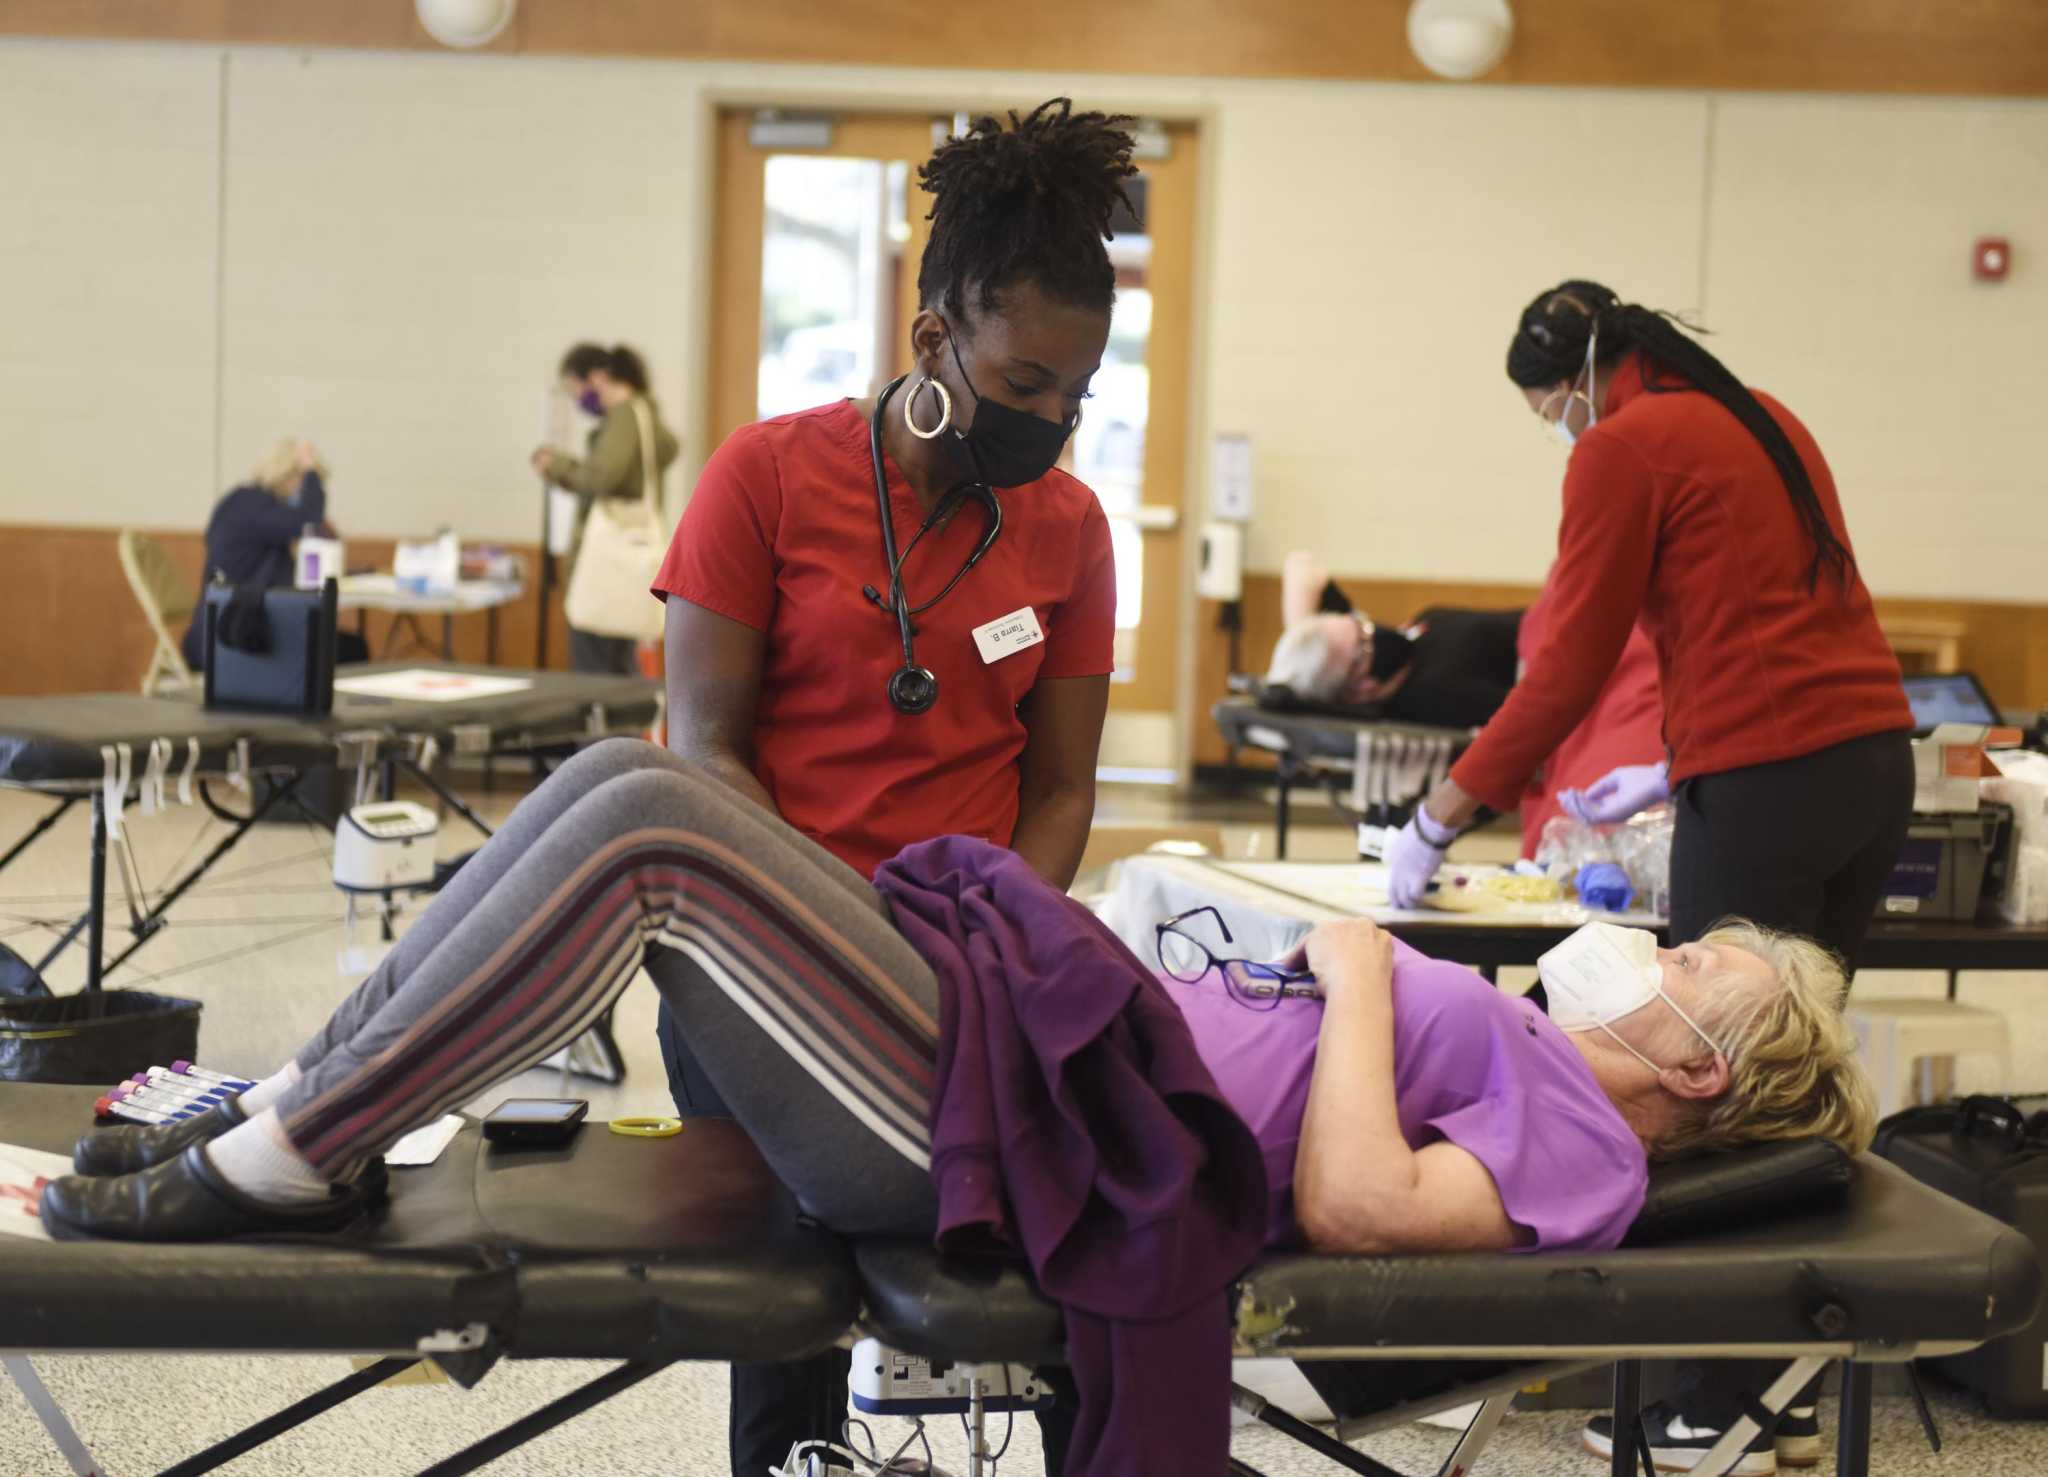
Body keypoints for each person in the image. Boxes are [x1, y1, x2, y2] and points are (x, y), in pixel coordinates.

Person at [649, 100, 1126, 1474]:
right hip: (760, 961)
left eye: (1077, 396)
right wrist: (823, 934)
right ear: (934, 340)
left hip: (967, 979)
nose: (1053, 421)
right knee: (783, 1322)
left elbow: (1061, 786)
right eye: (1027, 385)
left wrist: (995, 947)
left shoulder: (1072, 528)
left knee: (1035, 1303)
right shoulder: (767, 478)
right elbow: (705, 745)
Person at [1385, 280, 1914, 1472]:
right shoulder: (1760, 411)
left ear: (1574, 380)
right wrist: (1675, 762)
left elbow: (1565, 662)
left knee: (1707, 1082)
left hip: (1767, 780)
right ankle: (1781, 1385)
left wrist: (1436, 813)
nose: (1559, 436)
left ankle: (1706, 1398)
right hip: (1869, 768)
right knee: (1797, 1077)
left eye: (1547, 415)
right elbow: (1782, 617)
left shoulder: (1622, 444)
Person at [534, 342, 681, 675]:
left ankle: (603, 731)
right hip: (626, 563)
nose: (583, 399)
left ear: (600, 378)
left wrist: (556, 465)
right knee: (618, 665)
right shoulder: (643, 415)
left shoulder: (626, 415)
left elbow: (602, 476)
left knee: (595, 669)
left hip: (606, 562)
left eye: (578, 389)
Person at [181, 436, 368, 672]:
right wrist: (309, 467)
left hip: (234, 629)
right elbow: (309, 516)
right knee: (351, 648)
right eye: (308, 482)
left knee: (345, 644)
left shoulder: (243, 504)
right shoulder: (253, 505)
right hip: (231, 638)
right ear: (290, 476)